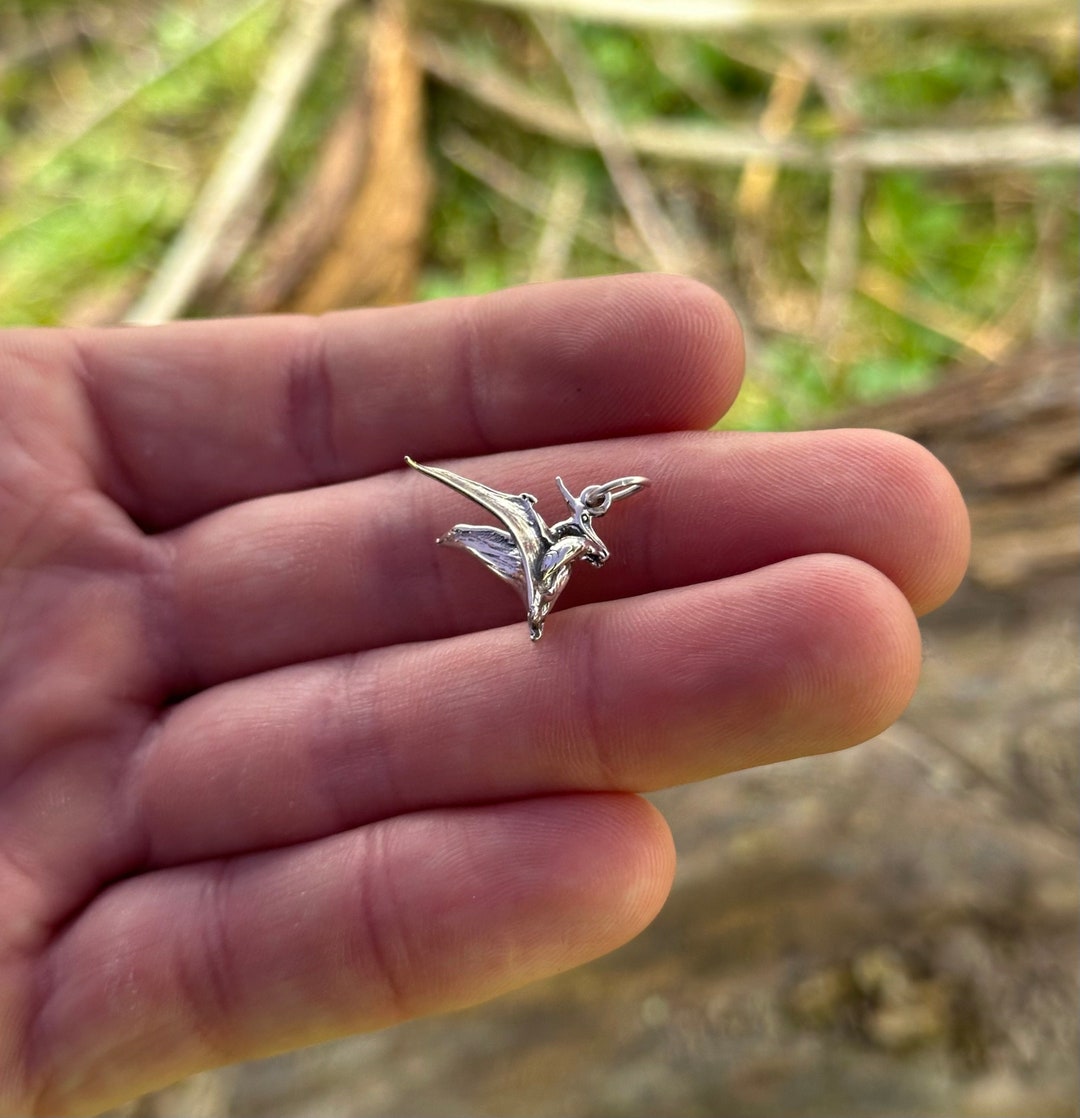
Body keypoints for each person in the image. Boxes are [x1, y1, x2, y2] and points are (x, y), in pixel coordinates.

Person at [0, 274, 969, 1116]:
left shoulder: (578, 533)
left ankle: (541, 591)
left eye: (586, 527)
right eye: (583, 525)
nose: (586, 529)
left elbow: (580, 527)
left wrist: (574, 537)